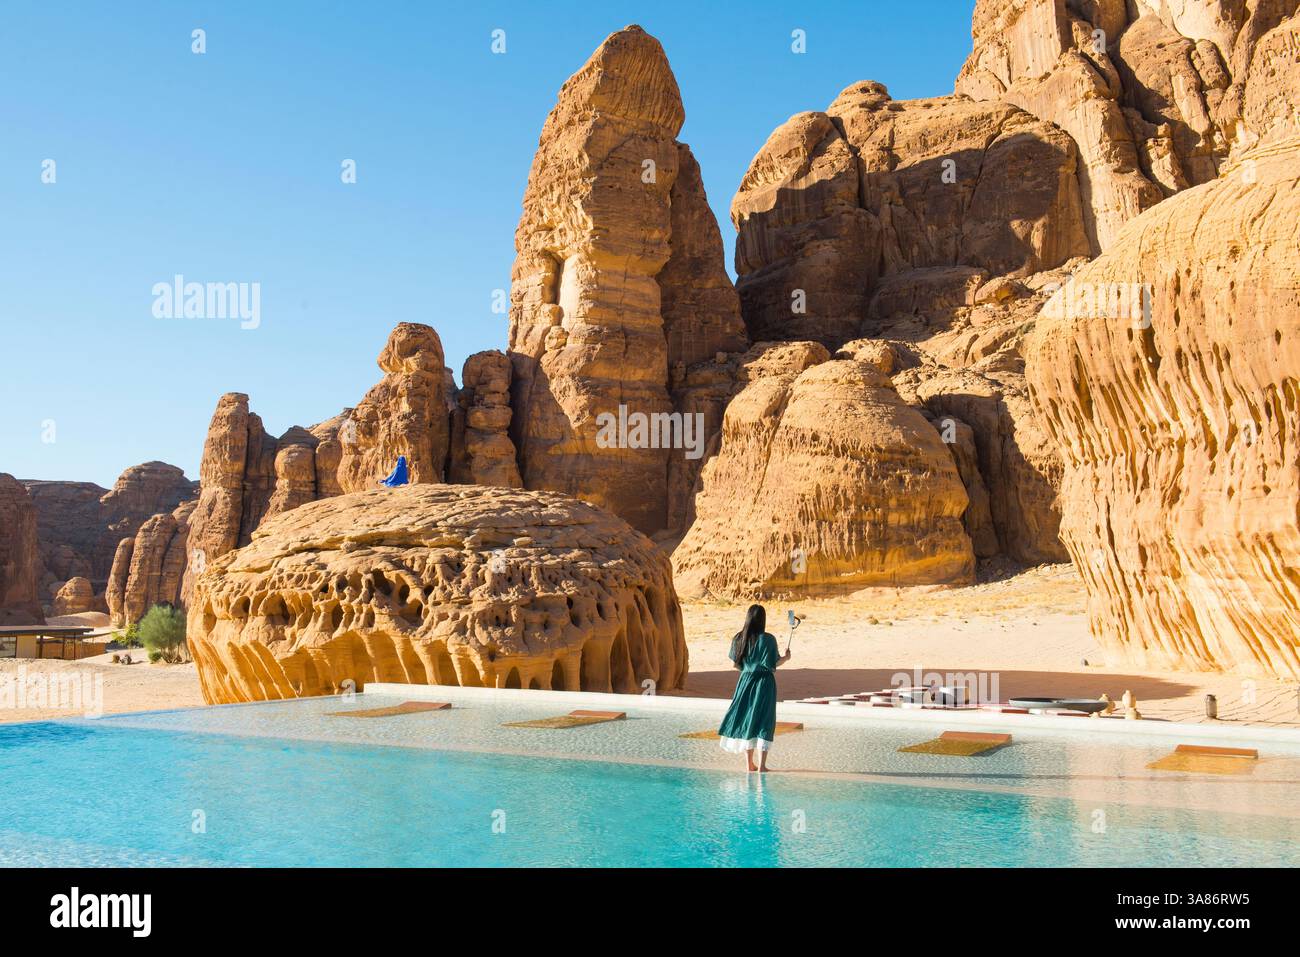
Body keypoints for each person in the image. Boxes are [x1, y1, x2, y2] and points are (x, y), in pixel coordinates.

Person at [717, 604, 790, 772]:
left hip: (745, 681)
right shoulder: (768, 639)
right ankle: (761, 766)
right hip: (764, 683)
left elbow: (735, 664)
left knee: (747, 718)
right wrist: (786, 658)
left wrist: (749, 669)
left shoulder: (738, 638)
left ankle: (749, 764)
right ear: (763, 619)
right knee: (764, 719)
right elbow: (773, 664)